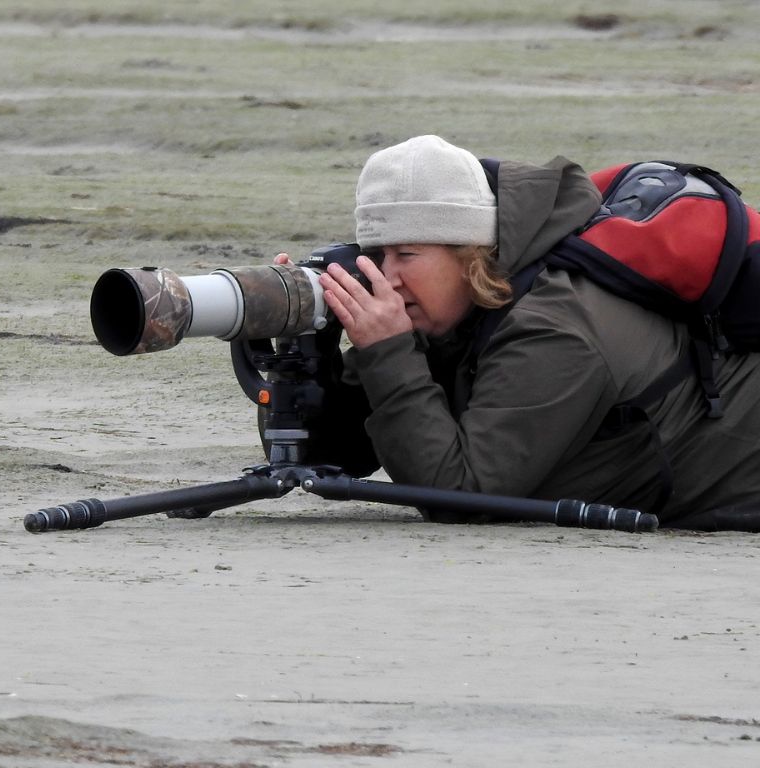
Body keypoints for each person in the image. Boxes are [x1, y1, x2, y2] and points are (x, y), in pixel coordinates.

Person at [280, 134, 760, 531]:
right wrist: (306, 345)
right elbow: (328, 458)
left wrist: (387, 351)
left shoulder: (553, 329)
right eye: (376, 255)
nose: (387, 277)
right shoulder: (453, 309)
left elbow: (460, 496)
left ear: (472, 256)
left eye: (406, 255)